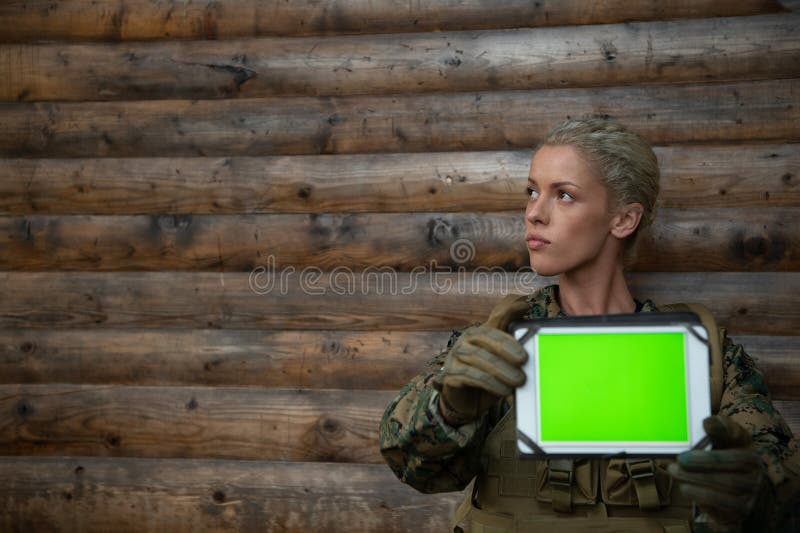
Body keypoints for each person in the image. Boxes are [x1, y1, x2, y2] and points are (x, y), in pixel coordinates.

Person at [378, 118, 800, 532]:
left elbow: (779, 489)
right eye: (532, 191)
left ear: (623, 219)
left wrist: (755, 493)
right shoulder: (499, 341)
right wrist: (449, 410)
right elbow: (415, 467)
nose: (534, 214)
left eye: (564, 195)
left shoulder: (703, 354)